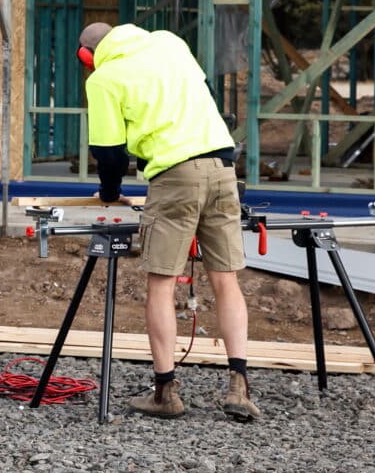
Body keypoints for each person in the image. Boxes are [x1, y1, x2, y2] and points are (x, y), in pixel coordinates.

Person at [80, 21, 260, 422]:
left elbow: (109, 153)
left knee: (161, 285)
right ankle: (239, 389)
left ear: (87, 57)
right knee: (225, 279)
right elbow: (206, 97)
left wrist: (109, 193)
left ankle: (165, 392)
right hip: (223, 167)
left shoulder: (104, 78)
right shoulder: (169, 41)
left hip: (175, 175)